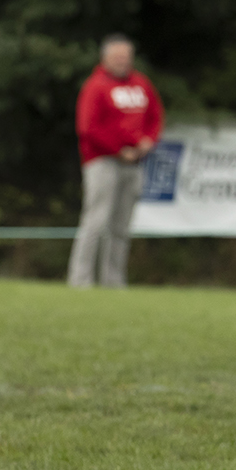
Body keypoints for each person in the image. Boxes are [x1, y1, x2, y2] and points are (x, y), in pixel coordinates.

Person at [67, 34, 164, 288]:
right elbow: (88, 127)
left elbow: (155, 116)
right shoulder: (96, 86)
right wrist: (118, 149)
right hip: (102, 162)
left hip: (135, 163)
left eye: (126, 57)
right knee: (95, 222)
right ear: (105, 58)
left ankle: (113, 281)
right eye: (117, 57)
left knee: (121, 226)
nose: (123, 62)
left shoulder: (141, 84)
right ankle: (80, 280)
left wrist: (148, 141)